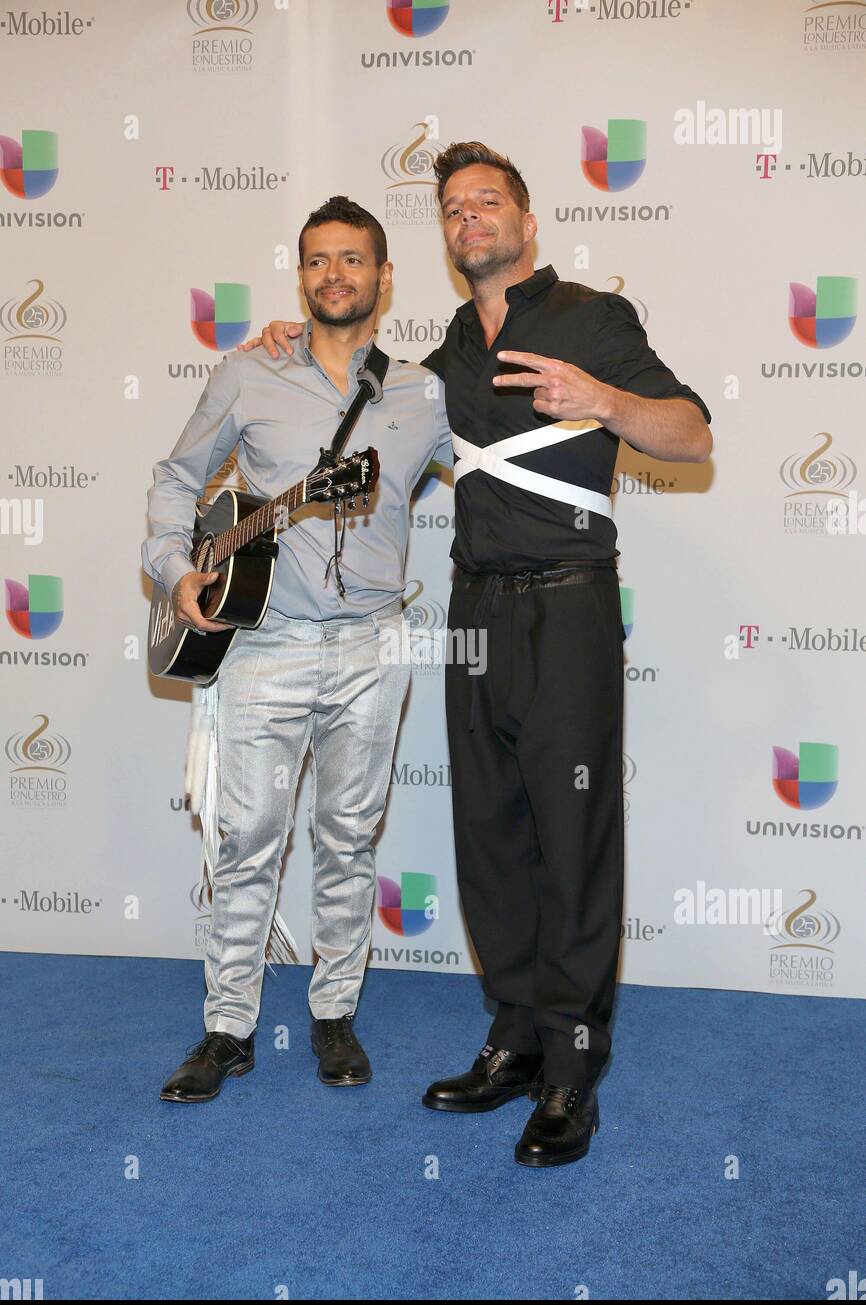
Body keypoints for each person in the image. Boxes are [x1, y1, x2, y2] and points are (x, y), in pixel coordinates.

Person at [247, 143, 713, 1165]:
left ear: (526, 220)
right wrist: (289, 342)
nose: (469, 217)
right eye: (452, 207)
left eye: (487, 201)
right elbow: (345, 395)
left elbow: (688, 434)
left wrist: (604, 400)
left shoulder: (593, 316)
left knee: (571, 836)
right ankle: (512, 1038)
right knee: (490, 837)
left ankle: (572, 1070)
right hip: (472, 610)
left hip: (569, 607)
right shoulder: (443, 353)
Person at [142, 196, 452, 1103]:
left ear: (385, 277)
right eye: (319, 260)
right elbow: (176, 477)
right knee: (245, 841)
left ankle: (333, 1014)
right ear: (302, 276)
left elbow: (499, 471)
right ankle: (227, 1030)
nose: (335, 276)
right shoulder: (248, 371)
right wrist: (174, 568)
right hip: (264, 645)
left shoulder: (424, 393)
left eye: (353, 260)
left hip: (372, 646)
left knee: (349, 838)